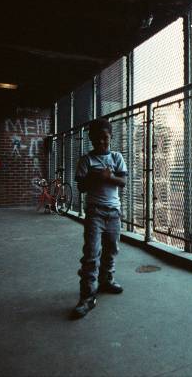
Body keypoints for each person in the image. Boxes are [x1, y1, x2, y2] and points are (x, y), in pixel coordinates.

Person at [72, 118, 127, 318]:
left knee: (111, 248)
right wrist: (95, 177)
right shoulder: (86, 160)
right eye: (97, 139)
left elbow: (122, 182)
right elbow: (81, 187)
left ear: (110, 137)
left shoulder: (117, 157)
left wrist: (108, 177)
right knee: (91, 253)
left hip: (114, 212)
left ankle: (106, 280)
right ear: (92, 139)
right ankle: (87, 296)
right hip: (95, 211)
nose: (102, 142)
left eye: (105, 138)